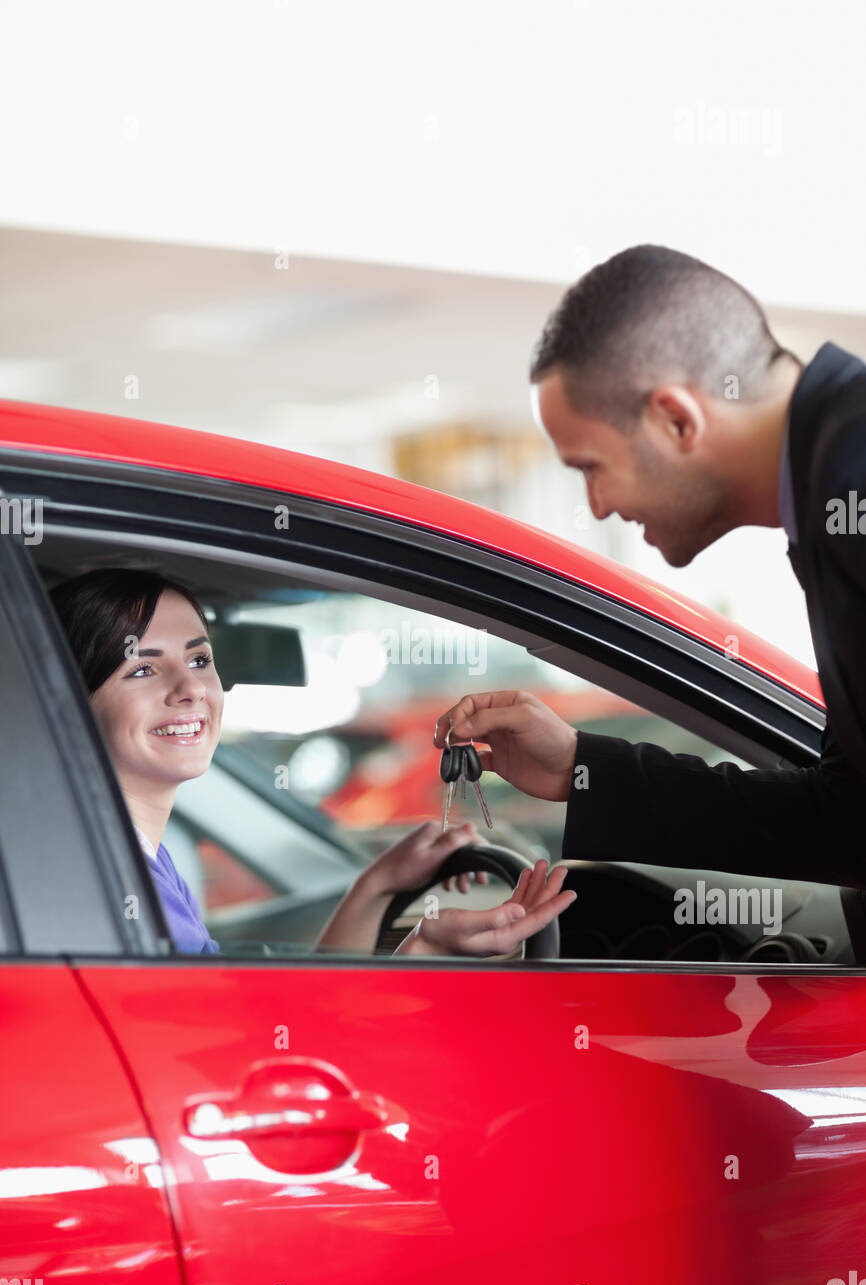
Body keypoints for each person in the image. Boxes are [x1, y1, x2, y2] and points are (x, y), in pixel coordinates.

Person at [434, 244, 866, 890]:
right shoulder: (831, 483)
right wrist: (581, 770)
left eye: (590, 468)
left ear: (676, 420)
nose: (597, 507)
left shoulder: (851, 477)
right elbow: (848, 819)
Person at [49, 568, 574, 956]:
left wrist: (376, 885)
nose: (190, 689)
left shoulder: (129, 857)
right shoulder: (117, 886)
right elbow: (252, 1063)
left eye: (199, 659)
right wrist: (422, 953)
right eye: (142, 670)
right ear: (68, 699)